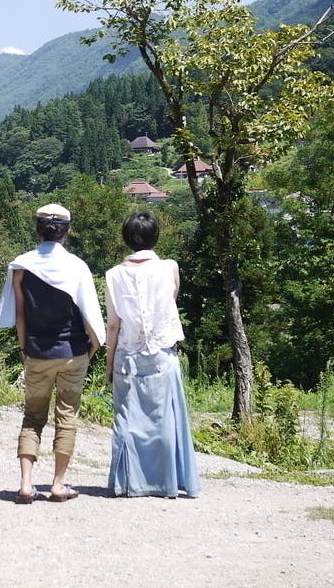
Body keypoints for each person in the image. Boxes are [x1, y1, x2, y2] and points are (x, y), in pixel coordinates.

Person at [0, 203, 104, 504]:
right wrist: (91, 349)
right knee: (67, 417)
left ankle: (26, 484)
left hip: (36, 351)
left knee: (32, 416)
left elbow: (19, 314)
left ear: (37, 229)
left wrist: (24, 348)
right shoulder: (77, 266)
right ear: (67, 232)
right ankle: (58, 484)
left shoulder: (21, 266)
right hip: (73, 352)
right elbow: (90, 316)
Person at [104, 211, 200, 498]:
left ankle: (128, 483)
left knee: (126, 420)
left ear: (126, 238)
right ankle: (167, 483)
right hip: (162, 353)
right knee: (164, 420)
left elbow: (112, 325)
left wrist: (108, 365)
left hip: (127, 355)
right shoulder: (170, 267)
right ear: (155, 236)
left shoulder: (113, 274)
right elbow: (170, 300)